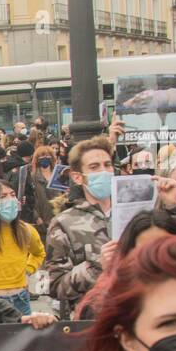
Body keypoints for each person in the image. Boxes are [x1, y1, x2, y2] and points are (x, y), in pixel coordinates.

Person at [45, 135, 115, 318]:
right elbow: (54, 286)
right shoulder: (63, 223)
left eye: (108, 165)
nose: (104, 171)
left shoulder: (134, 213)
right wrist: (97, 265)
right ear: (77, 177)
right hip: (93, 324)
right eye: (94, 167)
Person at [0, 180, 46, 316]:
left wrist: (28, 269)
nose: (11, 200)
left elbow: (39, 253)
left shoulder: (26, 230)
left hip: (20, 299)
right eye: (3, 196)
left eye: (13, 195)